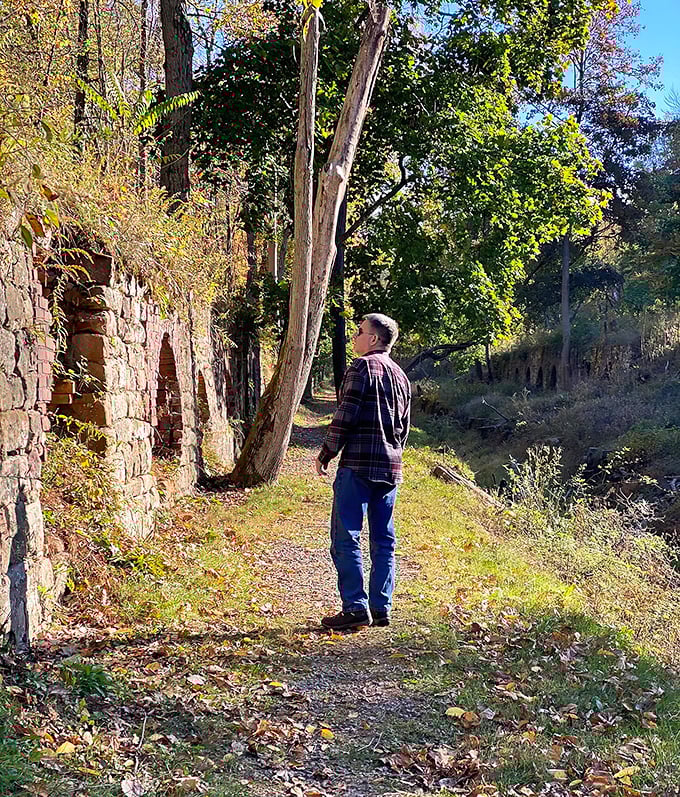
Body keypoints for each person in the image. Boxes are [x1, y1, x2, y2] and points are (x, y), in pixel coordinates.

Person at [315, 313, 411, 631]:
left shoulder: (362, 367)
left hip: (357, 464)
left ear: (373, 339)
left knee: (347, 536)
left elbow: (346, 414)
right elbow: (403, 428)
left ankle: (355, 607)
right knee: (384, 541)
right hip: (390, 468)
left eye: (359, 332)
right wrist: (394, 455)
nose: (354, 337)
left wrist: (327, 452)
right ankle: (381, 608)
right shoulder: (401, 376)